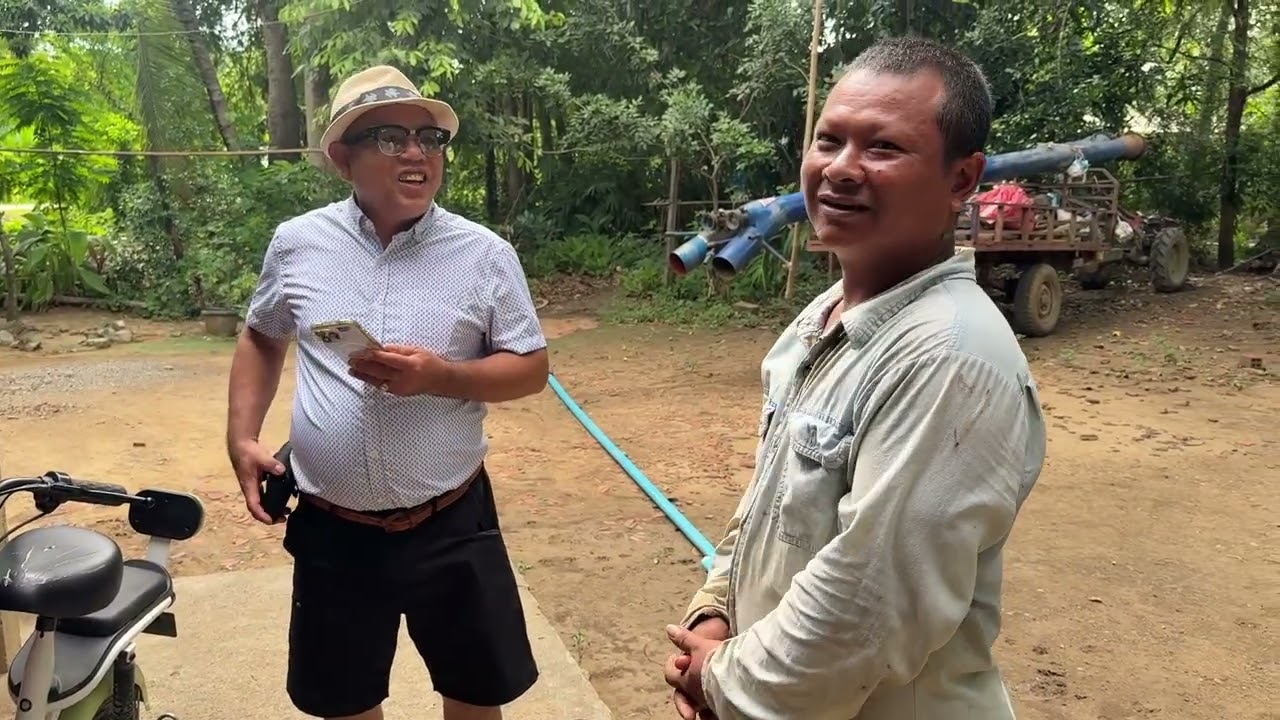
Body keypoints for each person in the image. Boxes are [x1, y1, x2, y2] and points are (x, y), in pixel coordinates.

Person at [662, 36, 1047, 720]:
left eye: (883, 148)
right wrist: (716, 610)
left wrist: (720, 678)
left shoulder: (948, 356)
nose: (840, 169)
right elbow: (768, 505)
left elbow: (867, 607)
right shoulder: (823, 318)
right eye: (828, 140)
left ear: (962, 179)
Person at [225, 65, 549, 720]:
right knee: (343, 703)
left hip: (452, 518)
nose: (416, 152)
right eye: (391, 137)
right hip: (331, 527)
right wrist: (241, 438)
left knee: (474, 696)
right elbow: (262, 337)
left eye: (430, 140)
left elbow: (532, 366)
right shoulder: (297, 245)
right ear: (343, 157)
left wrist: (444, 376)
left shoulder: (484, 254)